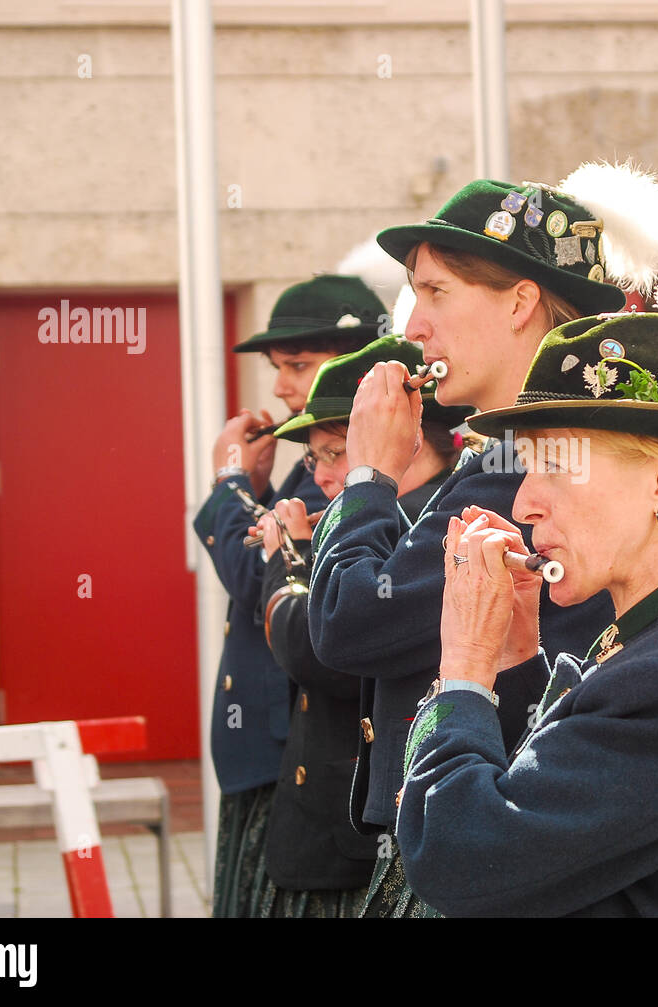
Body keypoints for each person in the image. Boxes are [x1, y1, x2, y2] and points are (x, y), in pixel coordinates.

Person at [308, 169, 658, 915]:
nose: (412, 325)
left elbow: (347, 621)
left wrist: (366, 474)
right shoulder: (499, 457)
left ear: (520, 300)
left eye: (436, 292)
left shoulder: (520, 465)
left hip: (481, 833)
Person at [394, 309, 658, 916]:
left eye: (558, 466)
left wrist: (463, 668)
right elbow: (549, 799)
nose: (523, 502)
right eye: (527, 466)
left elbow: (459, 861)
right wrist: (514, 662)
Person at [249, 336, 472, 918]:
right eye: (315, 458)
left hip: (366, 839)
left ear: (405, 433)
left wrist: (284, 567)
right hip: (341, 824)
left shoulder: (419, 521)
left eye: (338, 451)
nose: (324, 475)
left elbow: (328, 648)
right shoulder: (384, 514)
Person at [192, 274, 385, 917]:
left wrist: (227, 485)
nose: (279, 386)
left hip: (295, 761)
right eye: (278, 367)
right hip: (273, 754)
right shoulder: (315, 467)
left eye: (298, 364)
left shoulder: (352, 476)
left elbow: (262, 579)